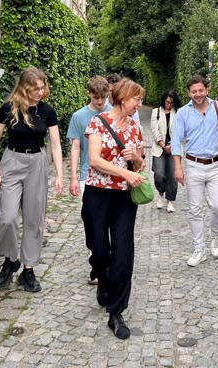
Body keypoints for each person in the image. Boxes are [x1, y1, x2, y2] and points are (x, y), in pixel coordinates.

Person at [0, 68, 65, 293]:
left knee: (34, 219)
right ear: (24, 87)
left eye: (43, 88)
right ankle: (11, 259)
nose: (40, 92)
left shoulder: (47, 111)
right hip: (12, 162)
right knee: (7, 217)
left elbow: (55, 144)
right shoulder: (8, 109)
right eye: (35, 89)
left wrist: (60, 174)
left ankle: (28, 270)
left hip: (37, 163)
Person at [82, 79, 146, 339]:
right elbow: (95, 160)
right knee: (99, 250)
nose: (139, 105)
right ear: (123, 98)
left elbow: (140, 165)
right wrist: (124, 172)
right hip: (97, 193)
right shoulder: (98, 122)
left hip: (123, 198)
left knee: (123, 251)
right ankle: (102, 274)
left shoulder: (135, 128)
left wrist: (136, 160)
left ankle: (116, 312)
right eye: (137, 100)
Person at [172, 75, 218, 267]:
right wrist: (178, 167)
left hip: (215, 165)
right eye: (193, 91)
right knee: (195, 210)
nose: (197, 94)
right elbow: (176, 140)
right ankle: (199, 249)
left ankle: (215, 235)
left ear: (206, 90)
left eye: (200, 90)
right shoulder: (183, 113)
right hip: (193, 166)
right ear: (189, 93)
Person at [66, 75, 111, 285]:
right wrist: (74, 176)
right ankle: (97, 260)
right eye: (97, 98)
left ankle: (106, 260)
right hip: (88, 175)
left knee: (111, 221)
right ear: (89, 94)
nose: (100, 102)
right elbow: (75, 147)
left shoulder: (113, 113)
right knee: (93, 220)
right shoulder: (79, 116)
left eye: (103, 97)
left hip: (112, 176)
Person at [150, 89, 179, 212]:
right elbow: (154, 130)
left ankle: (169, 201)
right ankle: (161, 193)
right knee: (159, 174)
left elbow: (180, 132)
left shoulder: (178, 113)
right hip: (159, 147)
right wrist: (163, 145)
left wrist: (171, 146)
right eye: (167, 102)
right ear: (163, 100)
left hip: (174, 147)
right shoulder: (156, 112)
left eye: (172, 103)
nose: (169, 105)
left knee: (172, 175)